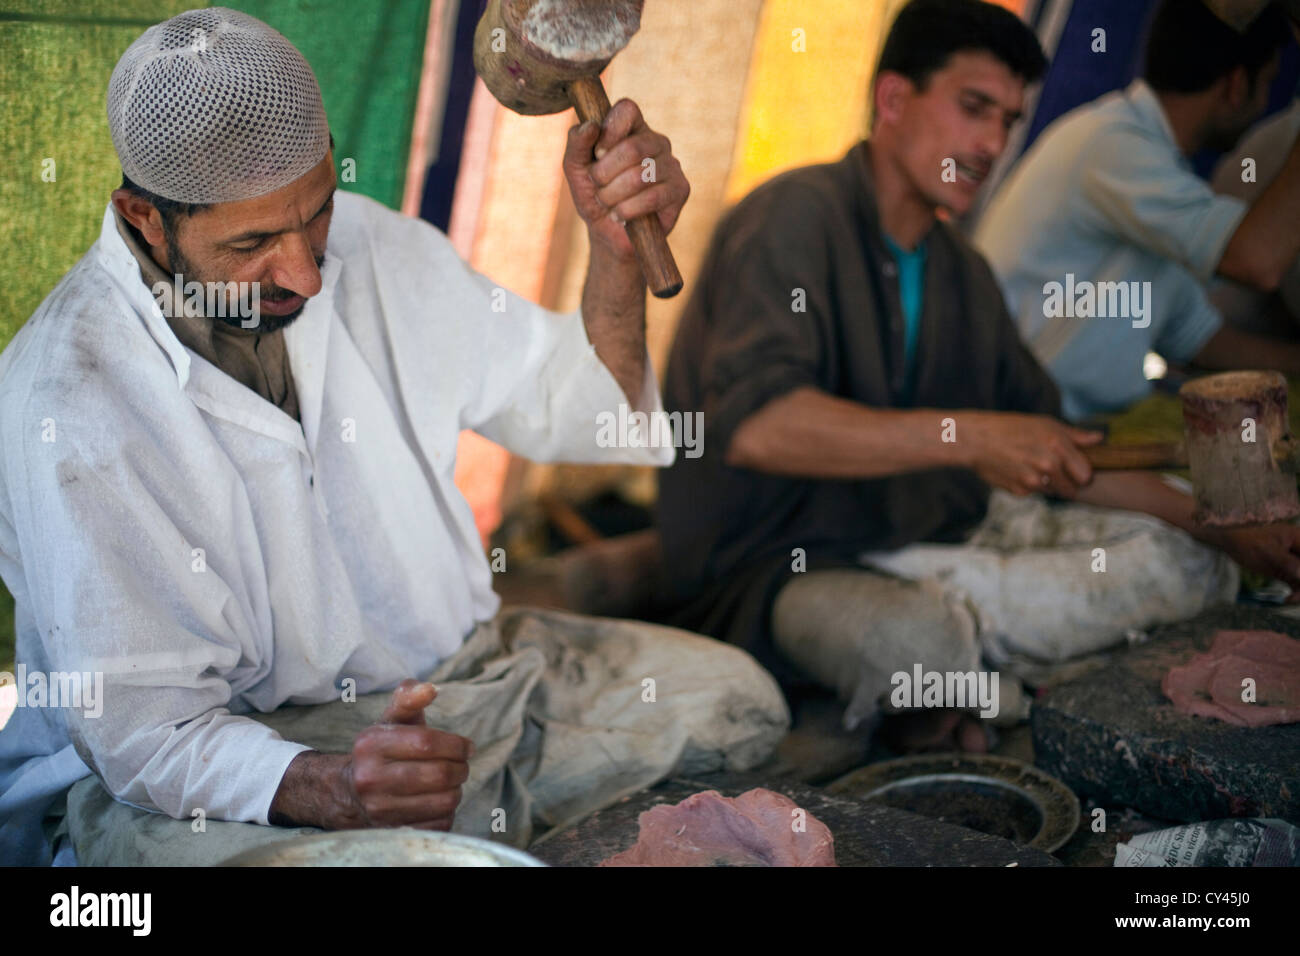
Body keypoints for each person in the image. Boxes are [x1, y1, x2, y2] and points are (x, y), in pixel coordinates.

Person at [0, 8, 788, 866]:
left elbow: (580, 407)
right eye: (254, 243)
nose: (304, 271)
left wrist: (614, 253)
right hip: (237, 768)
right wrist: (334, 786)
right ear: (145, 220)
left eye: (315, 216)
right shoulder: (68, 400)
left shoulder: (376, 246)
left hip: (459, 694)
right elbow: (144, 741)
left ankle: (456, 831)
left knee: (736, 702)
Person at [656, 0, 1300, 753]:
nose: (993, 142)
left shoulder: (964, 272)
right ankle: (978, 680)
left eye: (1008, 120)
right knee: (916, 643)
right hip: (771, 571)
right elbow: (761, 429)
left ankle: (986, 688)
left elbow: (1057, 452)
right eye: (973, 109)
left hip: (930, 540)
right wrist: (971, 436)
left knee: (1187, 557)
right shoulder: (793, 218)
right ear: (893, 98)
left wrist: (1226, 531)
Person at [976, 0, 1300, 421]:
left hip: (1061, 429)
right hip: (1019, 435)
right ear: (1237, 85)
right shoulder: (1116, 146)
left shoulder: (1151, 165)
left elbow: (1195, 336)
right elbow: (1257, 260)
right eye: (1268, 85)